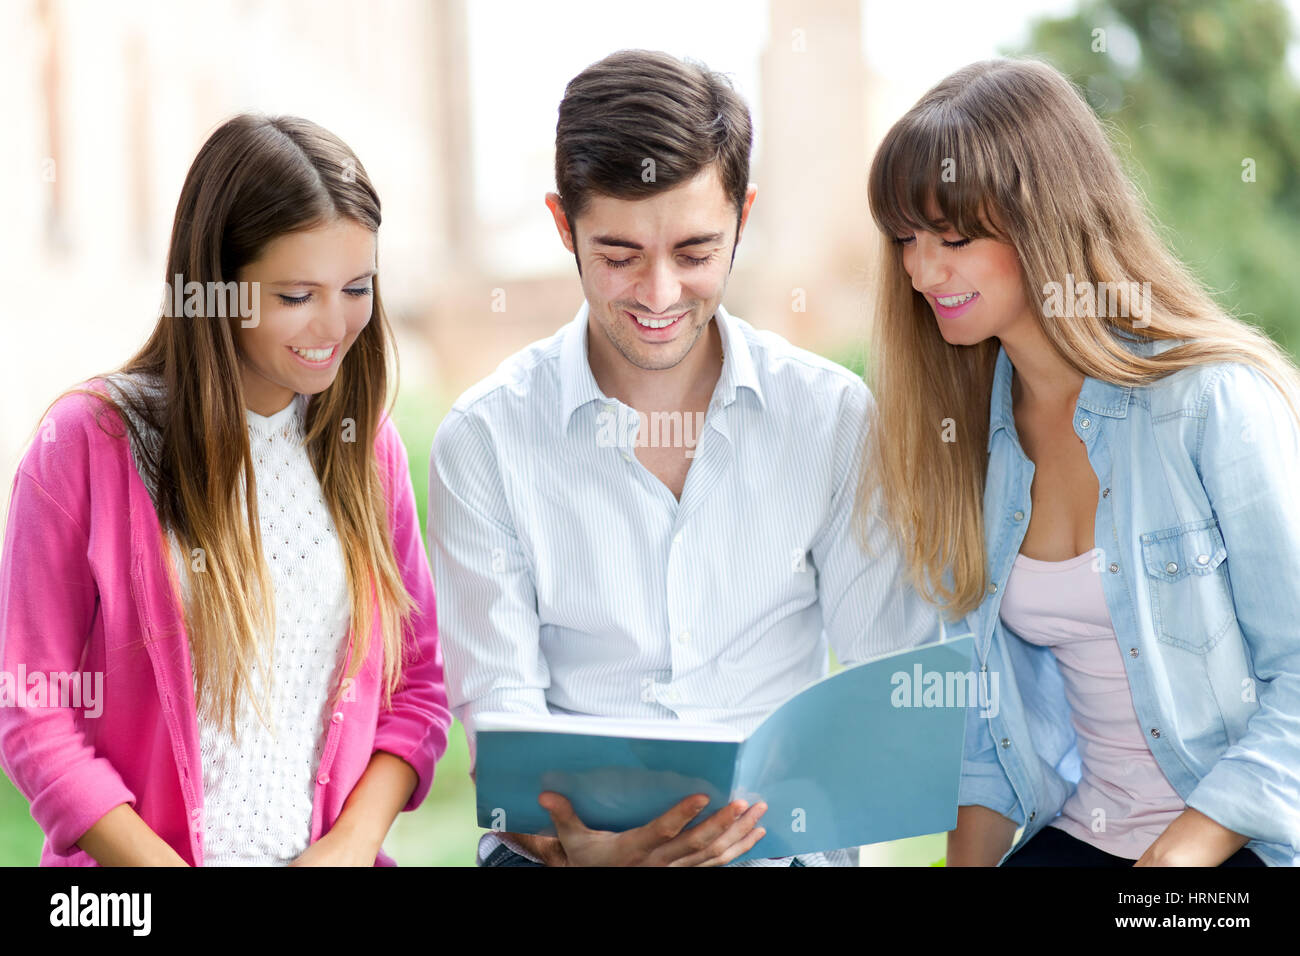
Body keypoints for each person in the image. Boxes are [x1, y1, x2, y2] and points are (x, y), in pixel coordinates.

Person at [429, 49, 943, 868]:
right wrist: (594, 853)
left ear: (744, 215)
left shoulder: (830, 417)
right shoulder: (485, 439)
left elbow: (886, 680)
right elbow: (503, 721)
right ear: (564, 226)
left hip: (779, 852)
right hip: (559, 858)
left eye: (697, 253)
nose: (660, 295)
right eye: (619, 254)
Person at [859, 57, 1300, 866]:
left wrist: (1175, 859)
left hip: (1234, 845)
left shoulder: (1209, 403)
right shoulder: (967, 438)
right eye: (907, 240)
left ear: (1046, 222)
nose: (923, 271)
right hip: (1082, 837)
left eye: (955, 238)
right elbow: (988, 740)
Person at [0, 114, 451, 866]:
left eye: (356, 287)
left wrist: (349, 846)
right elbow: (34, 710)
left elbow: (418, 691)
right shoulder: (87, 443)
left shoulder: (366, 449)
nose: (335, 325)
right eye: (297, 295)